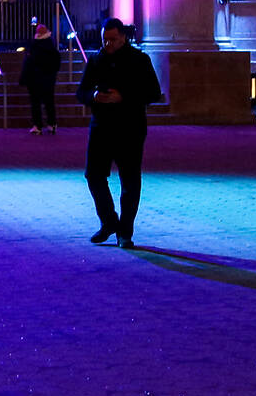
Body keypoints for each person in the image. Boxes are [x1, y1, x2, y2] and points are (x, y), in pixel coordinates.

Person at [77, 18, 161, 249]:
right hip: (101, 127)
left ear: (123, 37)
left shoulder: (139, 60)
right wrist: (93, 96)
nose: (108, 43)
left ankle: (125, 232)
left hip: (130, 128)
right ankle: (109, 221)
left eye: (113, 39)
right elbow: (81, 91)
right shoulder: (96, 59)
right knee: (93, 175)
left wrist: (123, 96)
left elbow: (154, 92)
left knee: (130, 181)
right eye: (105, 39)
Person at [19, 22, 62, 135]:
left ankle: (38, 126)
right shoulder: (50, 45)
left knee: (36, 102)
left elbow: (28, 62)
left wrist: (25, 77)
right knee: (49, 102)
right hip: (47, 78)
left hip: (35, 78)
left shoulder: (34, 45)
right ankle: (51, 124)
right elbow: (56, 62)